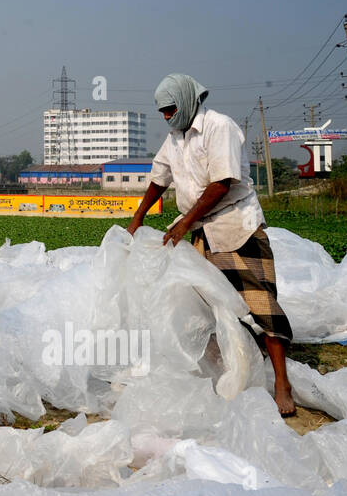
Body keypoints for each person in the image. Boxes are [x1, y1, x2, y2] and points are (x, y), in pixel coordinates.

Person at [125, 74, 296, 417]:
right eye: (162, 112)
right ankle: (227, 374)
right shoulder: (175, 137)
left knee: (262, 304)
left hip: (237, 228)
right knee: (206, 308)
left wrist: (185, 222)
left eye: (170, 109)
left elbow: (222, 184)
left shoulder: (220, 127)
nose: (166, 117)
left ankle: (282, 384)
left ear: (187, 102)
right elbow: (159, 179)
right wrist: (138, 217)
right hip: (203, 231)